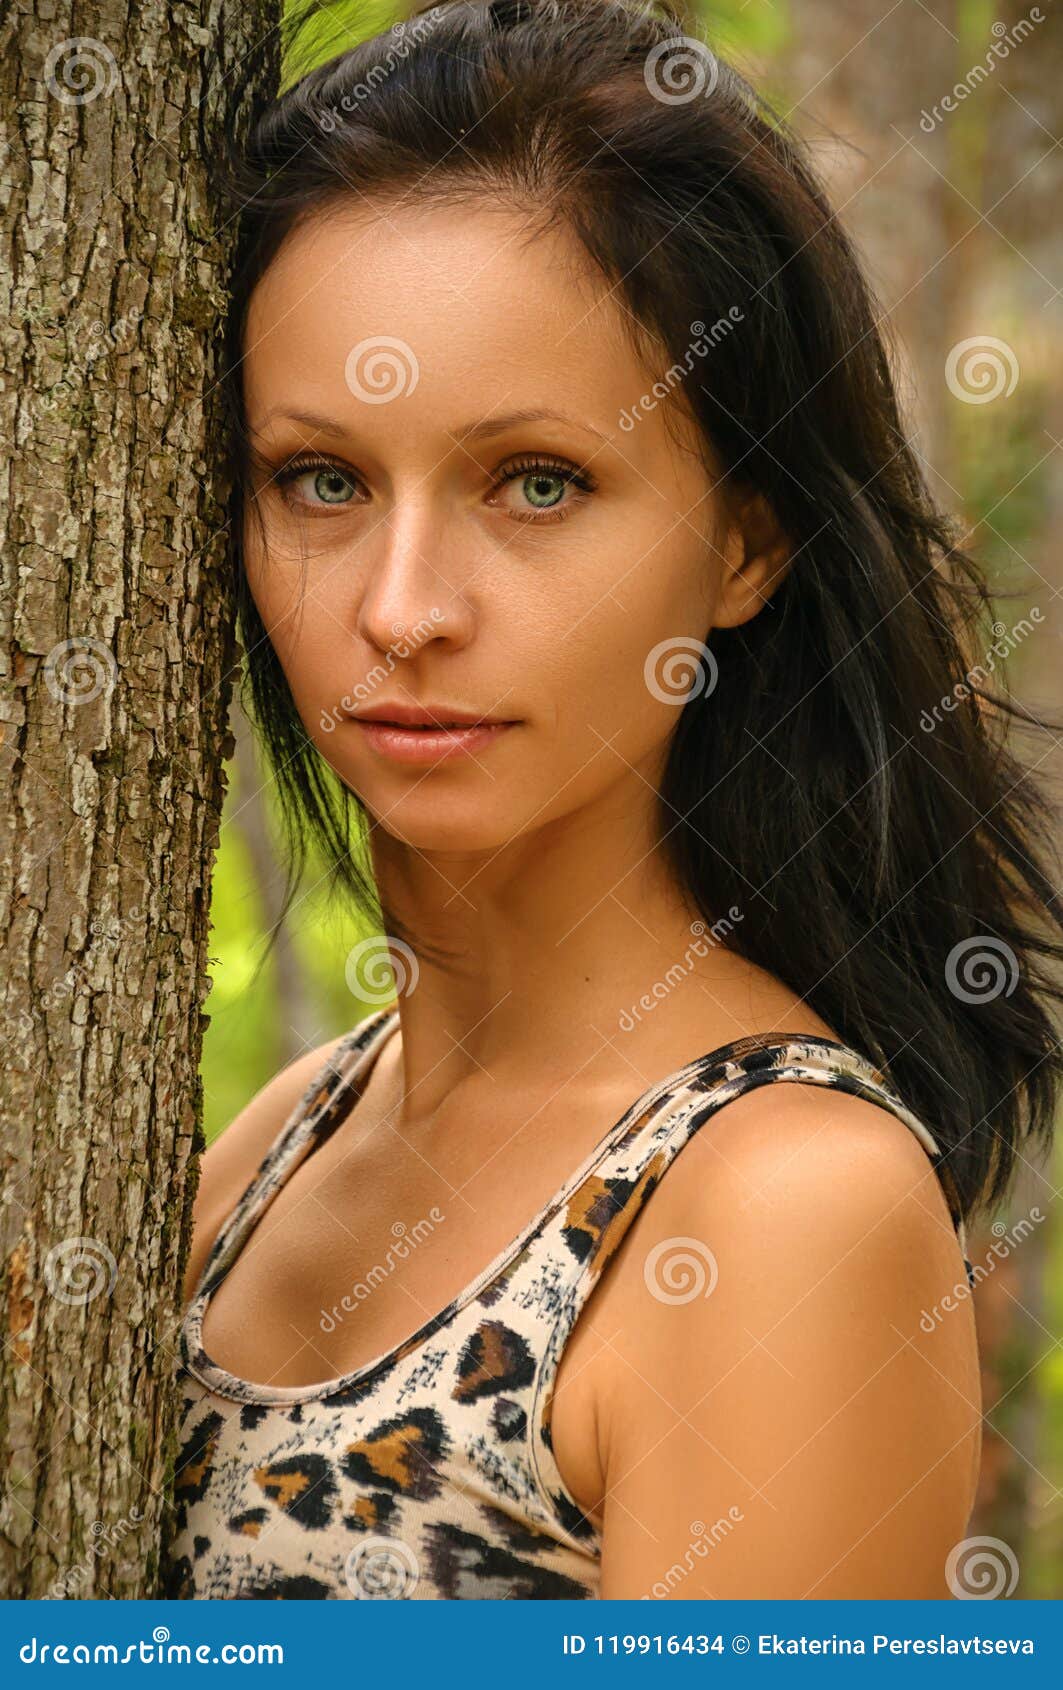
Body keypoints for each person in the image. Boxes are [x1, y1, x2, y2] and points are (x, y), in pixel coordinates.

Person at [163, 0, 1063, 1600]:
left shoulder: (788, 1209)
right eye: (322, 479)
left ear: (747, 543)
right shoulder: (272, 1150)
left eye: (536, 483)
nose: (403, 606)